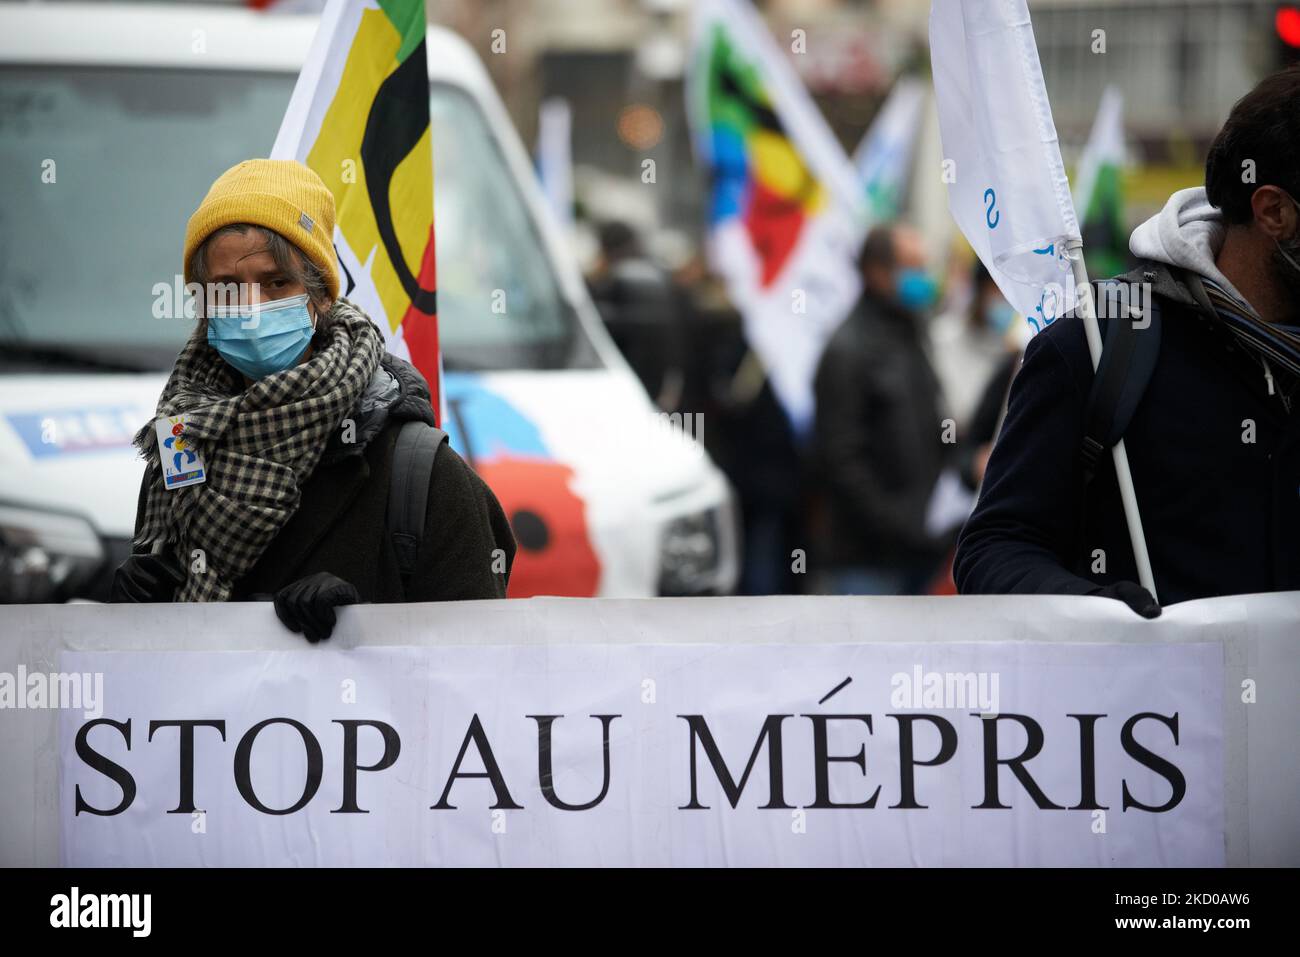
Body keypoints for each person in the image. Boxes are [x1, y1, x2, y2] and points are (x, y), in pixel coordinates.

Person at [112, 159, 516, 639]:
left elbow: (477, 674)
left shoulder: (424, 477)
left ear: (321, 295)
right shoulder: (180, 440)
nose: (252, 307)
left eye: (277, 282)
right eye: (226, 288)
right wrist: (134, 618)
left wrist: (366, 622)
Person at [955, 68, 1300, 615]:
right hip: (1155, 701)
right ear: (1274, 211)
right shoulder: (1099, 342)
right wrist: (1100, 616)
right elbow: (995, 549)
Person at [811, 223, 954, 595]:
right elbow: (841, 460)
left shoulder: (913, 332)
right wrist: (901, 525)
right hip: (866, 561)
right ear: (876, 272)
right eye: (912, 267)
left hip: (923, 552)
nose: (922, 278)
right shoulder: (848, 348)